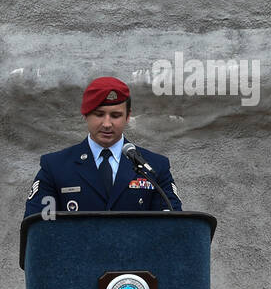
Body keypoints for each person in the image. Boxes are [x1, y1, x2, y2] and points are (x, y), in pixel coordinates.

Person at [23, 76, 181, 219]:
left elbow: (172, 227)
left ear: (127, 116)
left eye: (115, 115)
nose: (107, 124)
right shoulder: (56, 167)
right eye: (99, 114)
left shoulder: (153, 167)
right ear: (85, 114)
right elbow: (38, 227)